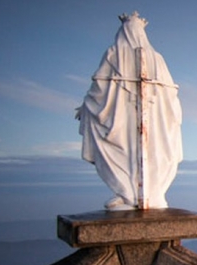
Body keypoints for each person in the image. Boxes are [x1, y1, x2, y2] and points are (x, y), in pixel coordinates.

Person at [77, 12, 182, 209]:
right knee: (152, 150)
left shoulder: (114, 54)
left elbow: (99, 90)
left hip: (124, 118)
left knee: (124, 150)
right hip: (148, 116)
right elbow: (171, 97)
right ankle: (144, 194)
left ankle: (133, 193)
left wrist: (87, 106)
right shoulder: (157, 59)